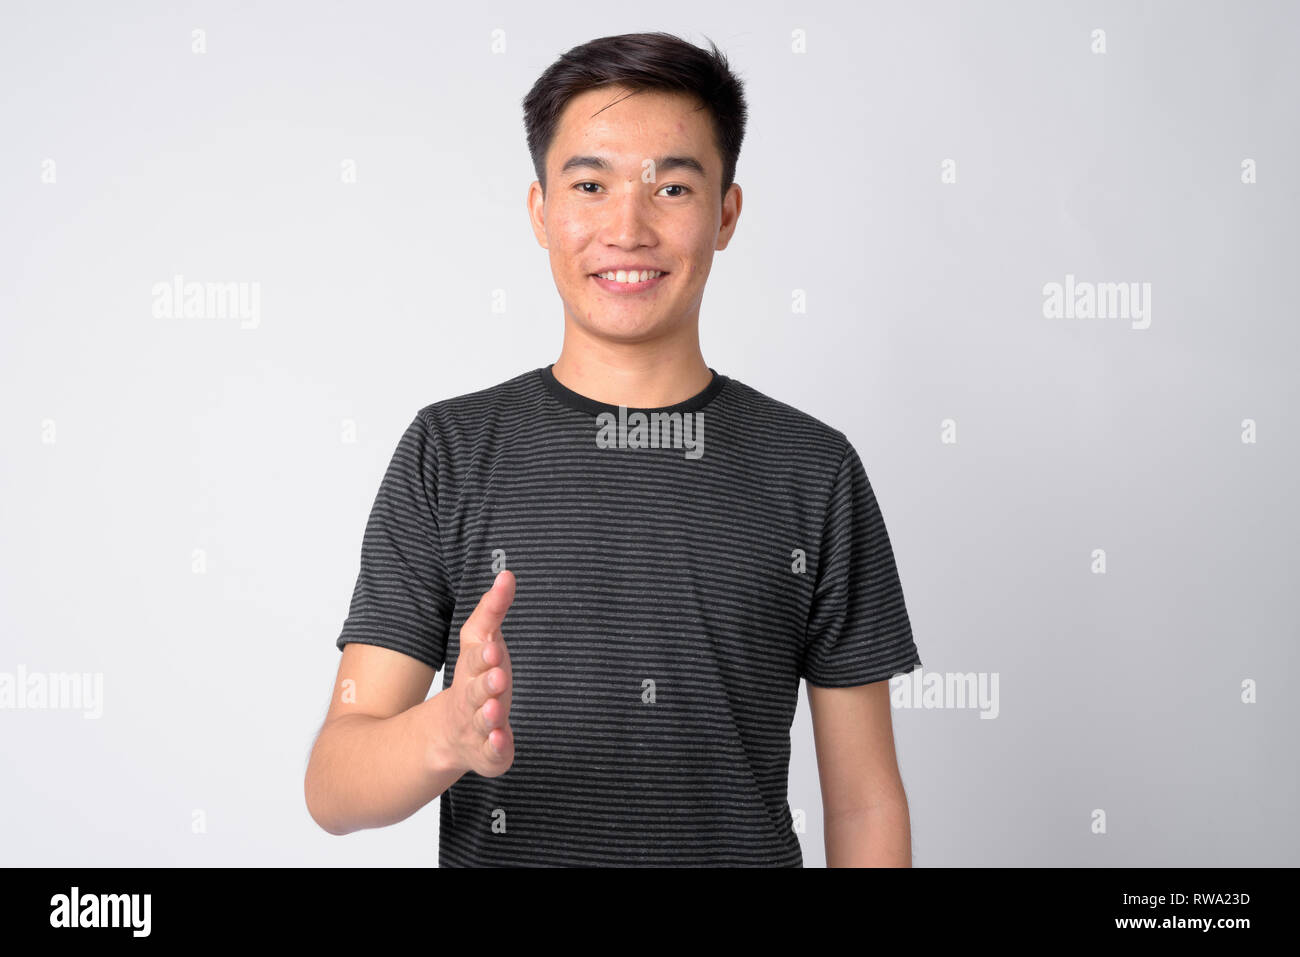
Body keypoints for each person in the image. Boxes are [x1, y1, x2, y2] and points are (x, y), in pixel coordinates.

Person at [304, 31, 922, 867]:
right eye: (589, 184)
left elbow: (866, 800)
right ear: (540, 211)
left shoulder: (814, 469)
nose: (625, 227)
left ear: (726, 214)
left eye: (670, 186)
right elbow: (334, 785)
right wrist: (443, 733)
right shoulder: (448, 451)